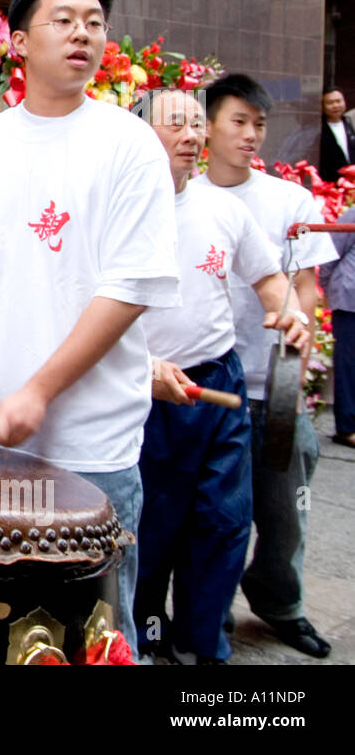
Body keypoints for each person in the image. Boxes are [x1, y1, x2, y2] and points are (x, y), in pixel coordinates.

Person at [0, 0, 180, 651]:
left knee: (91, 630)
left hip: (87, 446)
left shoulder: (129, 148)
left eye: (94, 22)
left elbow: (125, 290)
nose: (82, 33)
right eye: (62, 20)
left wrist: (38, 391)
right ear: (20, 42)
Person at [133, 87, 306, 665]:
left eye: (193, 125)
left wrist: (290, 311)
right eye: (173, 124)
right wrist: (140, 369)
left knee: (226, 523)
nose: (189, 136)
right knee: (153, 528)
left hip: (219, 385)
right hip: (149, 394)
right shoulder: (120, 211)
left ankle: (204, 647)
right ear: (139, 134)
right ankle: (146, 638)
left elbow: (269, 281)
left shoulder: (224, 210)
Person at [191, 72, 336, 658]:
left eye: (260, 125)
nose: (252, 135)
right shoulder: (185, 196)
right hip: (209, 388)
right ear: (206, 128)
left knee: (286, 513)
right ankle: (209, 619)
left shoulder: (289, 201)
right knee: (216, 516)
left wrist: (292, 363)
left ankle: (281, 604)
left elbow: (306, 285)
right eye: (239, 122)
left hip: (272, 385)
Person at [320, 204, 355, 449]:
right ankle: (347, 427)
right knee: (349, 364)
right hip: (350, 300)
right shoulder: (352, 215)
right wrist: (325, 287)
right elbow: (330, 255)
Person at [317, 86, 355, 183]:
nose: (335, 105)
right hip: (331, 184)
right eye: (330, 103)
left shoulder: (350, 124)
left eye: (338, 101)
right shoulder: (319, 130)